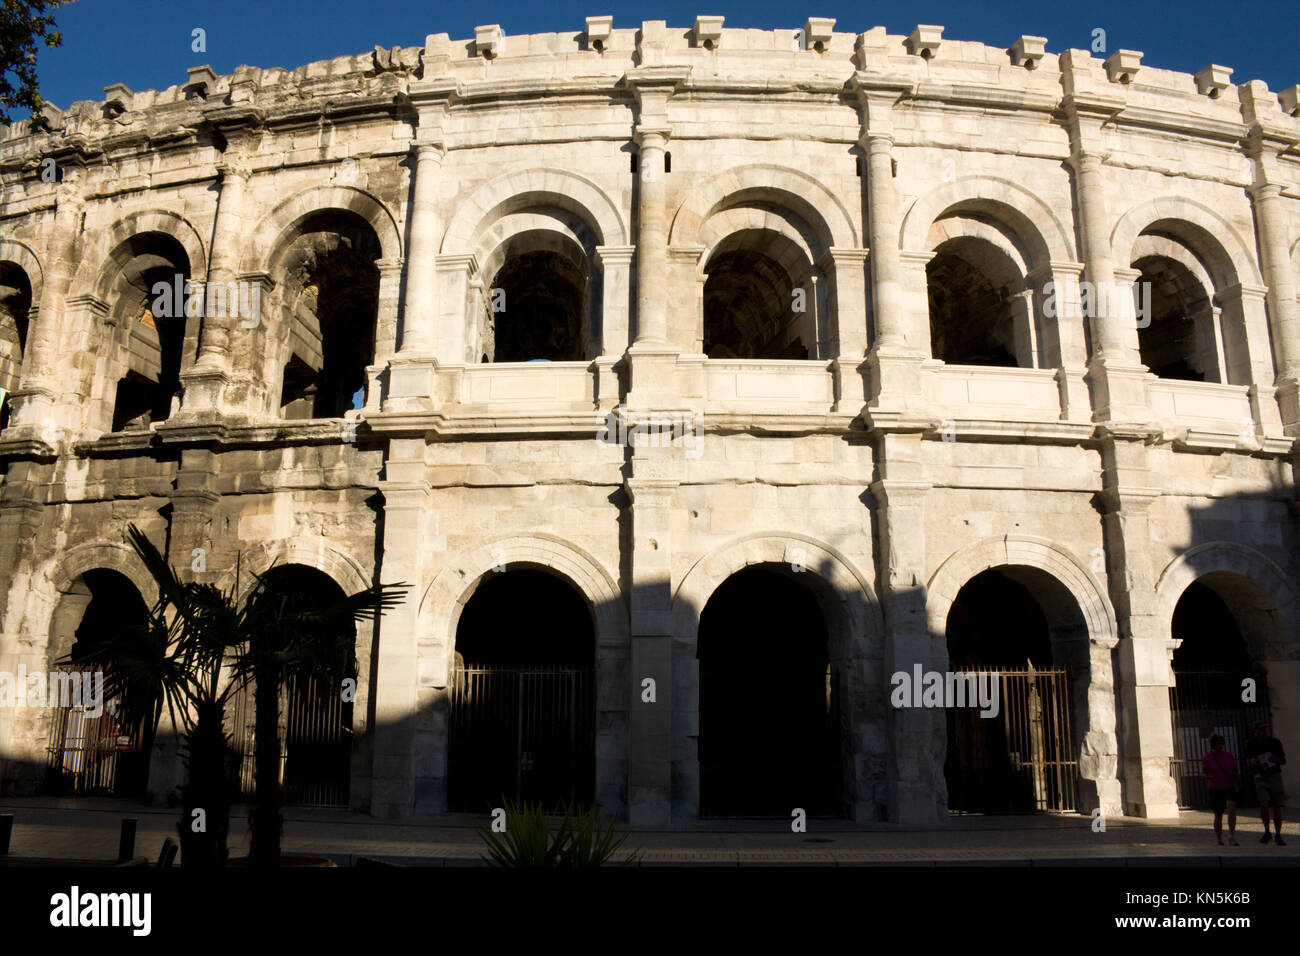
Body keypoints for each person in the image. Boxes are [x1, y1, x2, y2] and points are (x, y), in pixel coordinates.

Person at [1243, 721, 1287, 845]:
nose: (1262, 733)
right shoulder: (1251, 744)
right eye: (1259, 731)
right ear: (1255, 732)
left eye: (1263, 730)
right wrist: (1251, 761)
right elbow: (1246, 761)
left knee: (1277, 805)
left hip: (1274, 775)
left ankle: (1278, 833)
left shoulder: (1275, 743)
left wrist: (1276, 759)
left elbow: (1284, 760)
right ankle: (1267, 831)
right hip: (1260, 776)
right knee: (1264, 803)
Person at [1202, 734, 1239, 846]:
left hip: (1228, 786)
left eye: (1222, 744)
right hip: (1215, 788)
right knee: (1218, 814)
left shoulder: (1229, 756)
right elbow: (1204, 773)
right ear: (1213, 745)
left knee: (1231, 808)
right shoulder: (1208, 758)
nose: (1220, 746)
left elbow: (1235, 770)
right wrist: (1210, 776)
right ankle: (1219, 838)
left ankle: (1232, 836)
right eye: (1218, 744)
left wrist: (1235, 783)